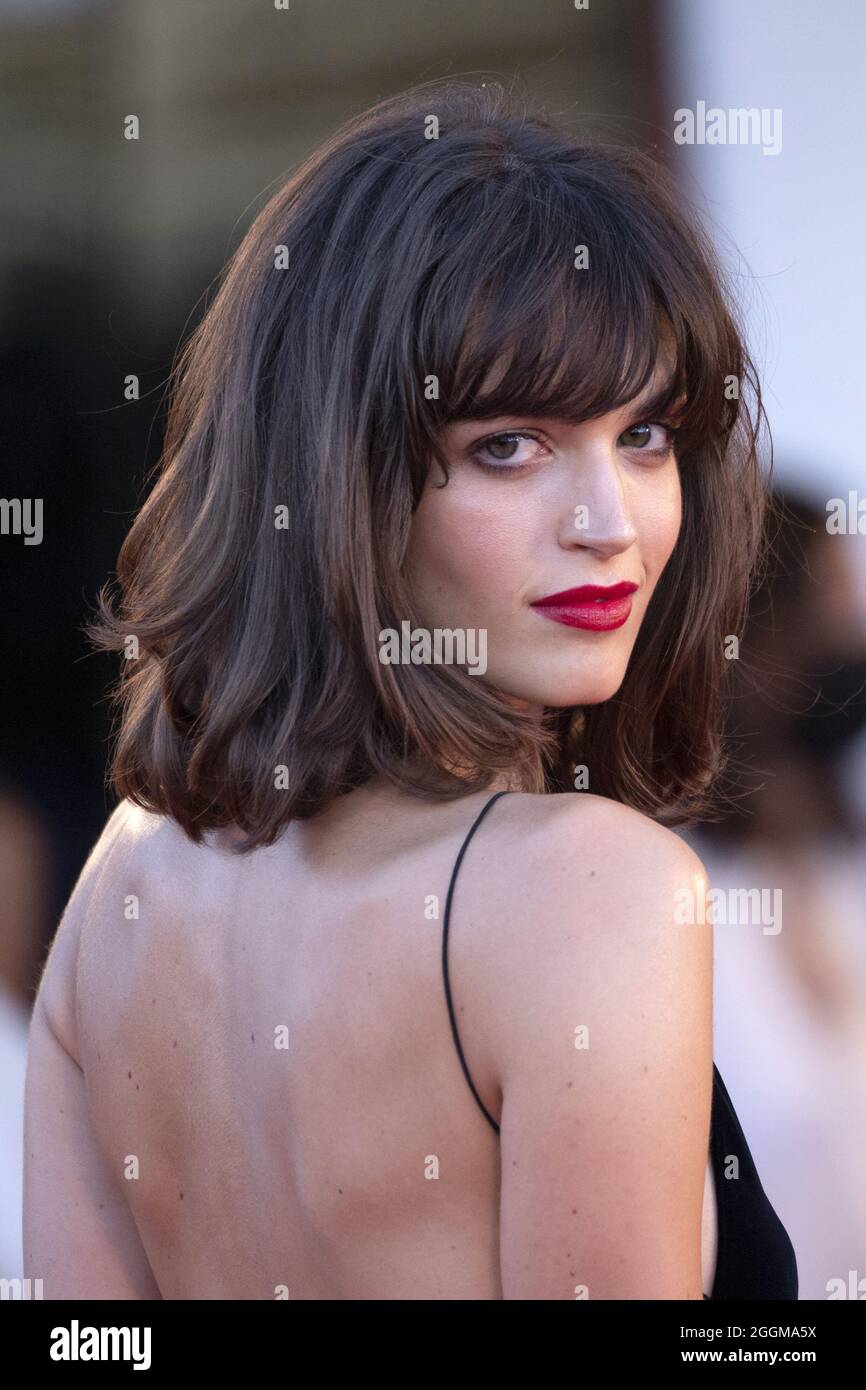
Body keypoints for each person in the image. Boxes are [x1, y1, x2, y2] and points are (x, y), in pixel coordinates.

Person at [22, 78, 798, 1300]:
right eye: (509, 445)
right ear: (339, 480)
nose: (611, 524)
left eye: (644, 435)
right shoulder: (591, 887)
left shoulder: (122, 884)